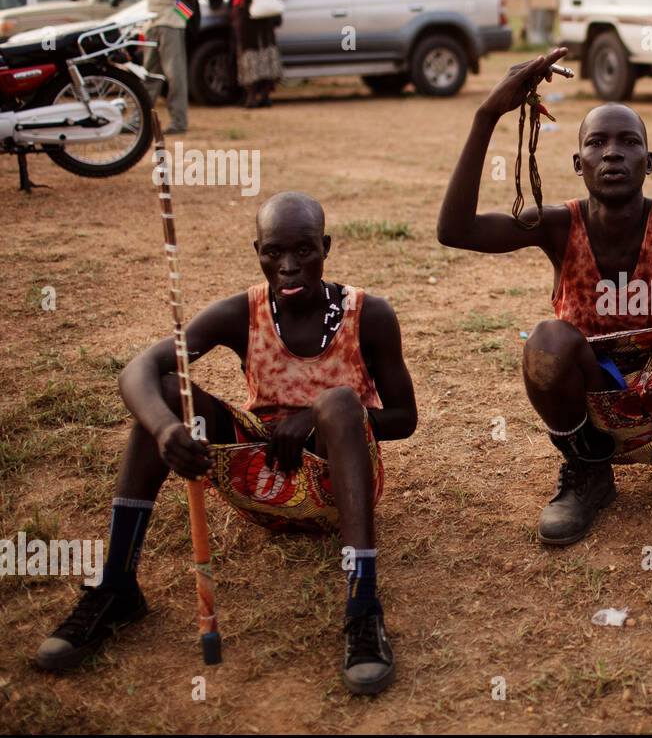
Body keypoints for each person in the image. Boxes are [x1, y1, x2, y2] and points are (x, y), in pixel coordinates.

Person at [35, 193, 418, 695]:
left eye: (304, 251)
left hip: (339, 491)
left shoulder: (369, 314)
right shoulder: (243, 312)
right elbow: (139, 371)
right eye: (273, 253)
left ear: (325, 247)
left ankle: (362, 604)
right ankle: (117, 585)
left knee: (340, 403)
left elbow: (404, 419)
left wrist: (313, 416)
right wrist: (165, 429)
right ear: (257, 250)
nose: (288, 266)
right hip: (261, 485)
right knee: (169, 394)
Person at [438, 48, 652, 545]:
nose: (612, 152)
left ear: (648, 162)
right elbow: (456, 230)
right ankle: (588, 472)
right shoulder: (559, 225)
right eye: (597, 142)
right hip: (588, 392)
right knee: (547, 341)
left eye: (628, 143)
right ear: (577, 161)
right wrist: (486, 113)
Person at [140, 0, 194, 134]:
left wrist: (179, 23)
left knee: (175, 75)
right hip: (152, 23)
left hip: (170, 25)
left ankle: (179, 121)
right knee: (149, 74)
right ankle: (140, 119)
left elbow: (187, 0)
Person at [231, 0, 284, 109]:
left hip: (249, 24)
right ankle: (265, 95)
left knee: (250, 57)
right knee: (265, 56)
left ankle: (252, 96)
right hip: (263, 25)